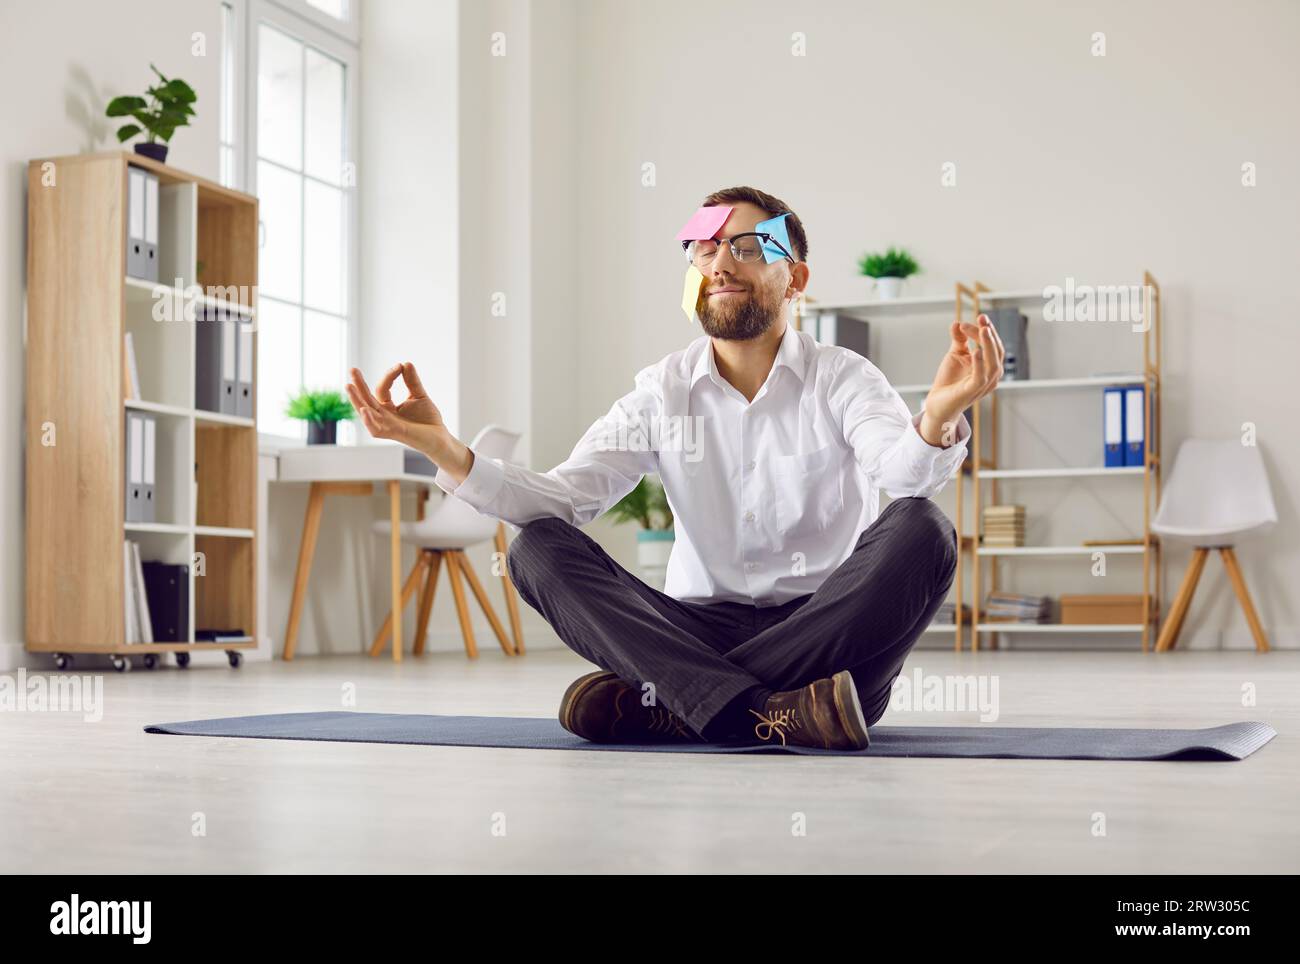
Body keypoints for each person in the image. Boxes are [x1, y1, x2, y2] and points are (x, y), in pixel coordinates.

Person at [347, 185, 1004, 750]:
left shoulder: (843, 378)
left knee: (924, 530)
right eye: (704, 247)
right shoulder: (662, 390)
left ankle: (687, 704)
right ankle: (770, 716)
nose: (720, 262)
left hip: (830, 641)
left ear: (795, 278)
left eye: (747, 247)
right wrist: (446, 451)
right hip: (715, 638)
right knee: (537, 548)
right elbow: (562, 501)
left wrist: (938, 416)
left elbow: (904, 476)